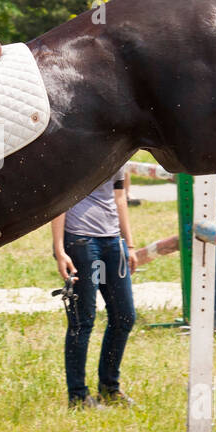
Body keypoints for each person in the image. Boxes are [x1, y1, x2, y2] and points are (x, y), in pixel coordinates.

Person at [51, 164, 138, 408]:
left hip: (112, 242)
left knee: (124, 317)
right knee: (82, 321)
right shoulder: (75, 152)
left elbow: (119, 197)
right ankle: (78, 396)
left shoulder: (120, 153)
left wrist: (128, 245)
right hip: (81, 242)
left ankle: (110, 388)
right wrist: (59, 251)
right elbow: (60, 202)